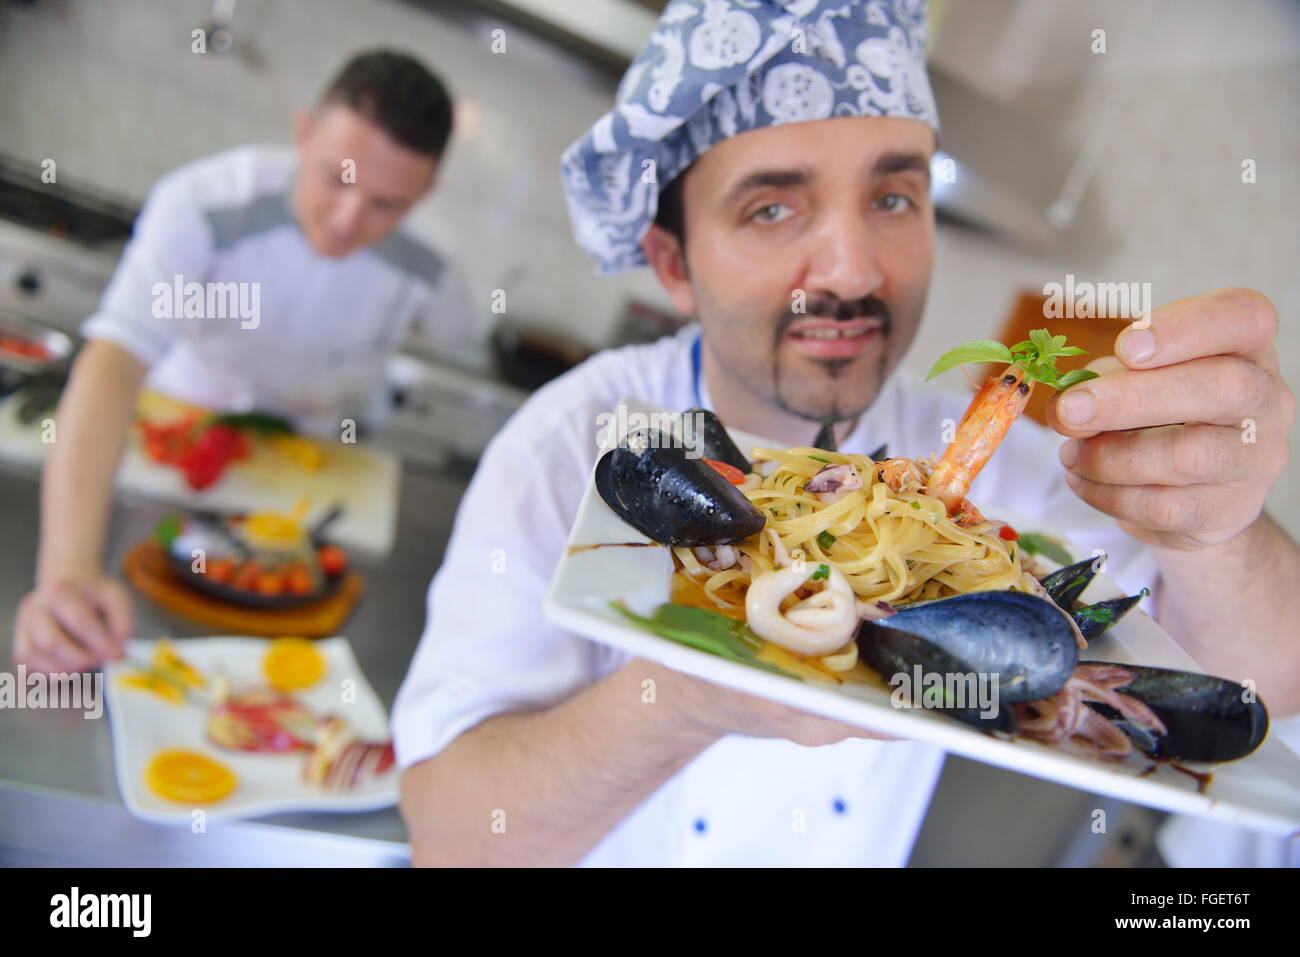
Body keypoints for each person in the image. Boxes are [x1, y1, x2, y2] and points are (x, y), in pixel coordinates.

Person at [394, 0, 1298, 866]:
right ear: (674, 264)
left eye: (894, 197)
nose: (855, 267)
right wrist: (691, 696)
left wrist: (1218, 531)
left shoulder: (1001, 464)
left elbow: (1262, 690)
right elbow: (452, 840)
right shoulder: (568, 447)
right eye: (772, 208)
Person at [14, 50, 482, 675]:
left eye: (386, 206)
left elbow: (459, 346)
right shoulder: (203, 204)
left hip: (314, 480)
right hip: (177, 452)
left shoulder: (431, 267)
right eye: (335, 179)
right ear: (302, 134)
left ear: (426, 193)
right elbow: (114, 361)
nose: (348, 221)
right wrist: (68, 573)